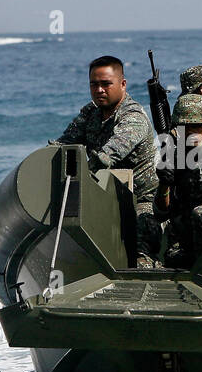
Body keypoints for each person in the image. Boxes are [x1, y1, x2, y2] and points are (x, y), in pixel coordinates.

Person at [53, 55, 160, 267]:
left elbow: (108, 155)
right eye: (94, 85)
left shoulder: (133, 117)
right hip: (103, 197)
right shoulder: (90, 113)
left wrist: (86, 170)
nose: (99, 90)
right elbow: (62, 145)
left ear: (122, 84)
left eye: (106, 84)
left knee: (142, 252)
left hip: (141, 200)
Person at [157, 93, 202, 269]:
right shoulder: (175, 156)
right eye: (185, 126)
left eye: (197, 126)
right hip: (187, 231)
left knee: (201, 213)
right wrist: (165, 184)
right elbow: (161, 212)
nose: (191, 131)